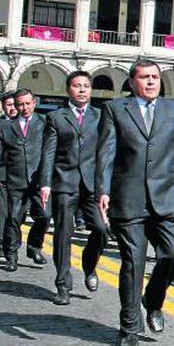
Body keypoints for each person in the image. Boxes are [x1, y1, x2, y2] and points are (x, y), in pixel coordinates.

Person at [96, 59, 174, 346]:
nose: (151, 82)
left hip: (167, 197)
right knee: (133, 263)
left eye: (155, 77)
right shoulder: (114, 110)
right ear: (132, 82)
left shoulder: (173, 110)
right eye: (144, 77)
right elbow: (106, 152)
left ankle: (154, 299)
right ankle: (129, 328)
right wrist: (102, 189)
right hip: (128, 198)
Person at [39, 71, 108, 305]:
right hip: (64, 182)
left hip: (92, 185)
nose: (81, 90)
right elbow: (49, 152)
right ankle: (63, 286)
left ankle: (90, 266)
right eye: (77, 86)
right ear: (68, 89)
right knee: (63, 235)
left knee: (101, 229)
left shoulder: (101, 116)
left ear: (91, 90)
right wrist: (45, 183)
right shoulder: (56, 117)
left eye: (86, 86)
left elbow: (106, 152)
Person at [0, 89, 49, 271]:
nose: (25, 107)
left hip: (38, 179)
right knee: (13, 218)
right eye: (20, 104)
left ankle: (34, 246)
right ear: (16, 105)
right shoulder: (6, 127)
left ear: (34, 103)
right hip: (15, 180)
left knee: (45, 216)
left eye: (28, 103)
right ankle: (11, 256)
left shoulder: (44, 123)